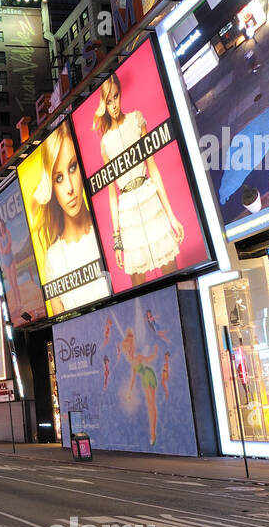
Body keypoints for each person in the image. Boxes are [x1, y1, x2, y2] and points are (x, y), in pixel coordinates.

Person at [93, 72, 187, 286]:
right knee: (138, 282)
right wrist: (117, 241)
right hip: (127, 209)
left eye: (115, 97)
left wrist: (172, 217)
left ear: (120, 94)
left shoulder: (136, 119)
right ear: (104, 104)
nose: (113, 105)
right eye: (108, 101)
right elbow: (111, 196)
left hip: (148, 196)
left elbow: (153, 167)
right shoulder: (105, 142)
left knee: (171, 272)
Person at [31, 125, 110, 311]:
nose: (69, 188)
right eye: (59, 178)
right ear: (51, 186)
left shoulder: (109, 227)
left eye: (73, 167)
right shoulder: (54, 259)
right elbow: (62, 329)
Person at [119, 328, 161, 446]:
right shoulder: (132, 362)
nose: (129, 352)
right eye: (127, 351)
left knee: (151, 404)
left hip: (149, 375)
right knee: (150, 405)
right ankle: (153, 434)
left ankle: (153, 434)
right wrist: (129, 391)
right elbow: (132, 379)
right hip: (144, 379)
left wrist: (156, 352)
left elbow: (150, 358)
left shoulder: (138, 358)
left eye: (130, 349)